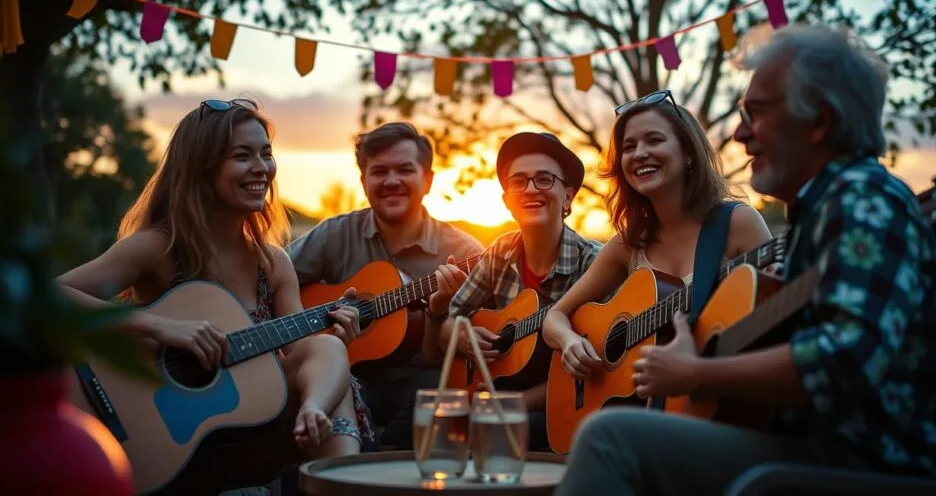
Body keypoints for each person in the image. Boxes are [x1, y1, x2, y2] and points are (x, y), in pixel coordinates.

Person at [553, 24, 936, 496]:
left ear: (820, 122)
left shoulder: (864, 200)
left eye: (757, 113)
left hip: (875, 459)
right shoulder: (822, 208)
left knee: (612, 440)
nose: (739, 133)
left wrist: (695, 373)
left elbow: (844, 362)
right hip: (816, 443)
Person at [58, 98, 374, 463]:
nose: (261, 169)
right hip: (168, 423)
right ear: (202, 168)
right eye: (243, 156)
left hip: (255, 414)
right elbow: (49, 294)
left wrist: (334, 336)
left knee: (329, 350)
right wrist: (160, 326)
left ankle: (318, 427)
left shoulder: (272, 263)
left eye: (266, 154)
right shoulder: (159, 247)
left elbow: (302, 351)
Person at [542, 89, 772, 382]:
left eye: (654, 140)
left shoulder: (738, 223)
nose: (639, 154)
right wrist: (570, 342)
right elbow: (554, 317)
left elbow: (777, 314)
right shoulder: (628, 244)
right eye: (628, 147)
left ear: (688, 153)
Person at [286, 121, 484, 449]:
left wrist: (440, 311)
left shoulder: (466, 254)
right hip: (347, 373)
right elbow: (270, 278)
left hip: (426, 379)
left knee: (443, 401)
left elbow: (476, 338)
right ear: (363, 181)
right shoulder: (335, 234)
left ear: (428, 179)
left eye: (404, 170)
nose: (391, 181)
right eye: (379, 171)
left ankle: (377, 463)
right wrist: (320, 329)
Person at [423, 132, 603, 451]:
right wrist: (460, 334)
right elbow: (449, 321)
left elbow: (596, 366)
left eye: (544, 179)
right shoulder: (500, 252)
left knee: (486, 437)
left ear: (568, 197)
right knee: (413, 422)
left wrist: (511, 404)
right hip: (489, 392)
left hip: (555, 404)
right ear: (507, 201)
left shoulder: (594, 264)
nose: (531, 189)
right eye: (518, 181)